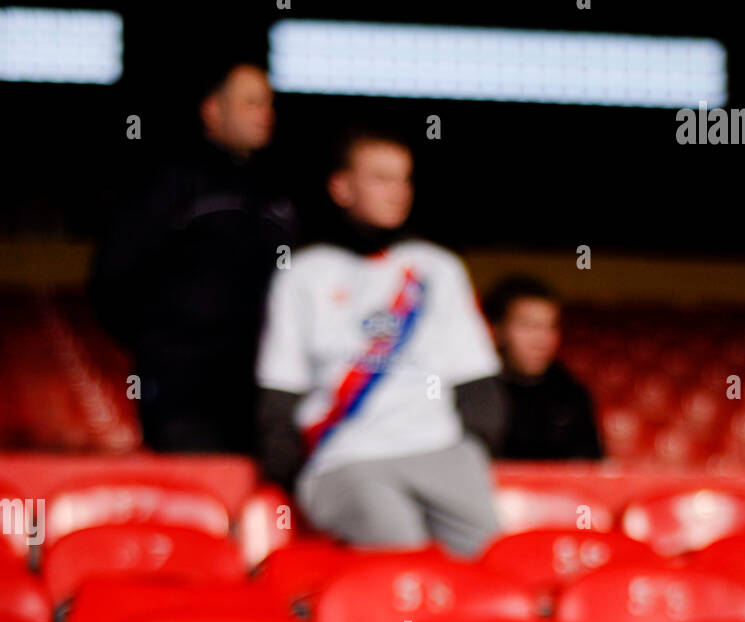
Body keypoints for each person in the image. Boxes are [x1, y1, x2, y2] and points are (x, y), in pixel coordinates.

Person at [255, 127, 506, 555]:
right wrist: (296, 470)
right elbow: (278, 396)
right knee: (400, 555)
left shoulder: (438, 268)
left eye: (404, 179)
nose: (398, 192)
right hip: (347, 460)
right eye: (381, 178)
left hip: (440, 450)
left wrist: (472, 451)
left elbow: (479, 383)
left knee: (490, 565)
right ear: (341, 186)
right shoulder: (302, 273)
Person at [91, 63, 298, 453]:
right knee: (201, 496)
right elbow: (112, 280)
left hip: (259, 393)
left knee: (255, 504)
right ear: (212, 110)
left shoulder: (278, 193)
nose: (264, 113)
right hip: (183, 393)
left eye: (268, 103)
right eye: (250, 102)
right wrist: (162, 346)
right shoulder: (167, 182)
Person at [483, 276, 604, 460]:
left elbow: (590, 470)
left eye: (550, 327)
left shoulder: (571, 394)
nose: (541, 340)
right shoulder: (475, 393)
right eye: (529, 326)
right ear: (497, 330)